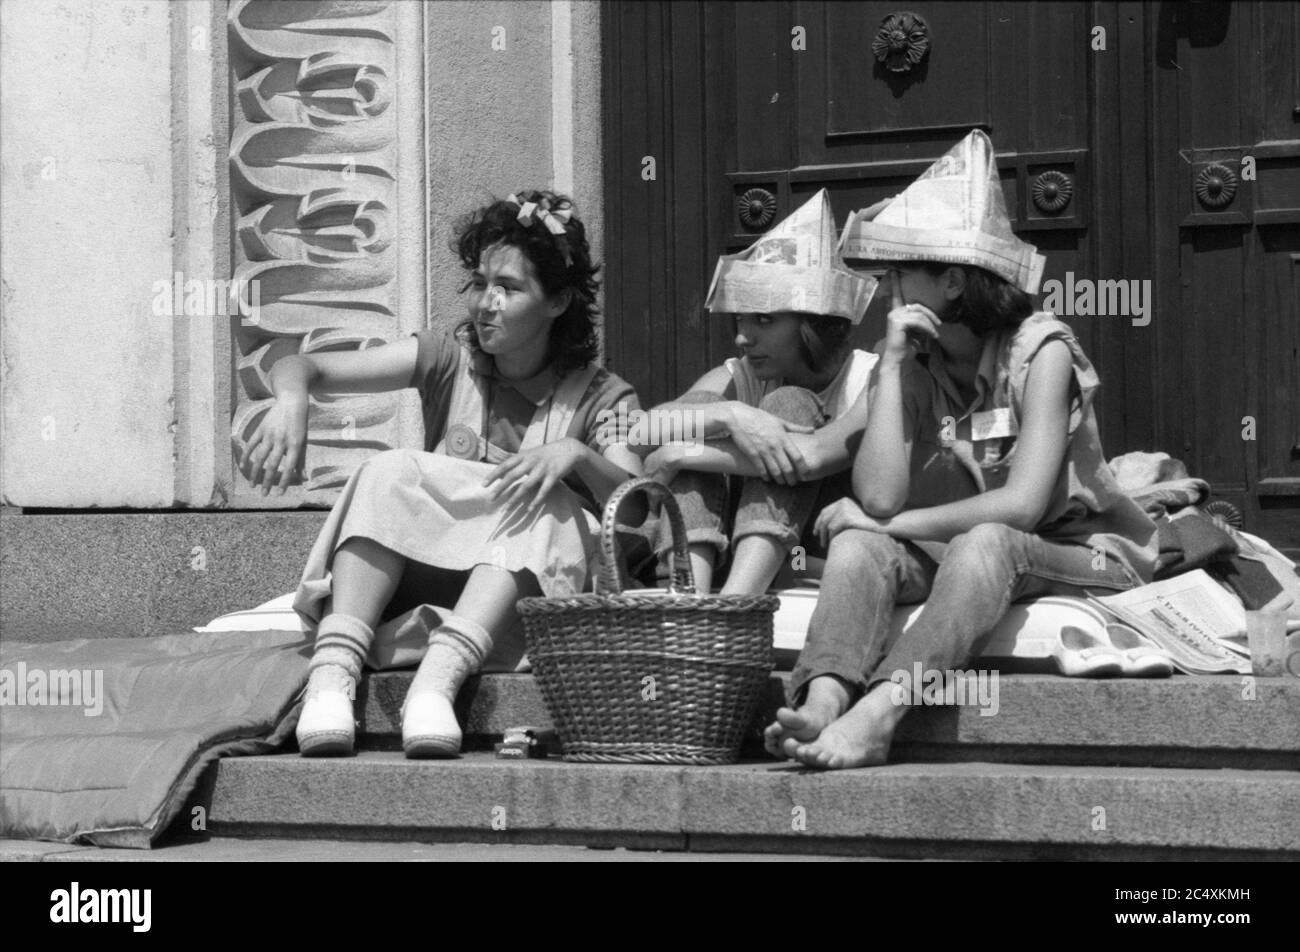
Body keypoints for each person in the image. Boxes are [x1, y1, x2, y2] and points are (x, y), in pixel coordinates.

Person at [764, 130, 1159, 768]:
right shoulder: (917, 360)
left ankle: (880, 712)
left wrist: (892, 521)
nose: (887, 292)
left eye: (899, 274)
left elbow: (1024, 506)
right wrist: (889, 368)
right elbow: (880, 497)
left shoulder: (1043, 350)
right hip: (959, 551)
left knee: (983, 540)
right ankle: (825, 697)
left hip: (1075, 548)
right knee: (860, 542)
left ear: (950, 282)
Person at [239, 190, 642, 758]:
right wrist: (292, 399)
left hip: (509, 611)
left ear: (558, 303)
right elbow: (302, 365)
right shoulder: (447, 357)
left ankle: (435, 686)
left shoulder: (605, 396)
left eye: (510, 287)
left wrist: (577, 454)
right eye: (480, 283)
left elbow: (636, 505)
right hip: (417, 585)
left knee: (545, 501)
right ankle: (332, 676)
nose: (487, 303)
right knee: (388, 468)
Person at [638, 189, 879, 595]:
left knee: (788, 405)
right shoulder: (744, 375)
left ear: (813, 321)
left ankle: (737, 601)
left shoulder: (868, 378)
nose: (741, 338)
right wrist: (731, 415)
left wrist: (683, 452)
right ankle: (688, 599)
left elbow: (810, 457)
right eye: (740, 320)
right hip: (730, 542)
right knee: (702, 411)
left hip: (821, 538)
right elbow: (642, 432)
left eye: (763, 320)